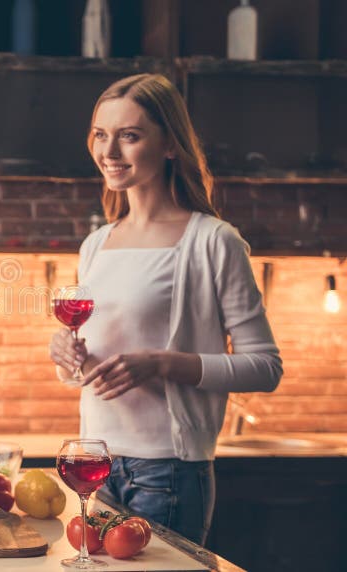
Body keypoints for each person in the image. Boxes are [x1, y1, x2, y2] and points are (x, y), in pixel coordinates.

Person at [49, 73, 282, 545]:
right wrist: (68, 358)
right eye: (100, 135)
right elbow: (93, 370)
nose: (109, 152)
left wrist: (161, 363)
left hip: (168, 472)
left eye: (129, 136)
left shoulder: (213, 241)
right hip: (95, 465)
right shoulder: (96, 244)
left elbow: (265, 368)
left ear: (170, 145)